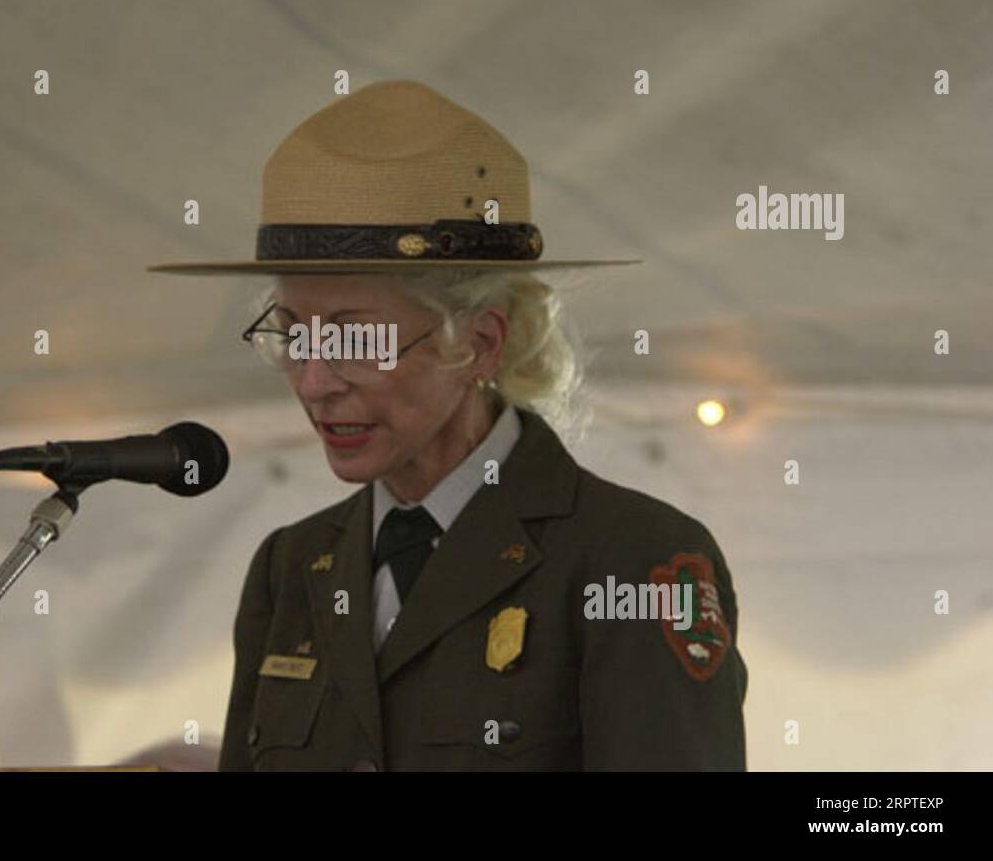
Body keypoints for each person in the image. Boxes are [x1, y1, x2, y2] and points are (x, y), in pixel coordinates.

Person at [149, 80, 747, 770]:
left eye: (356, 340)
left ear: (482, 343)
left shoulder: (632, 560)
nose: (314, 382)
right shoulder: (288, 568)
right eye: (293, 335)